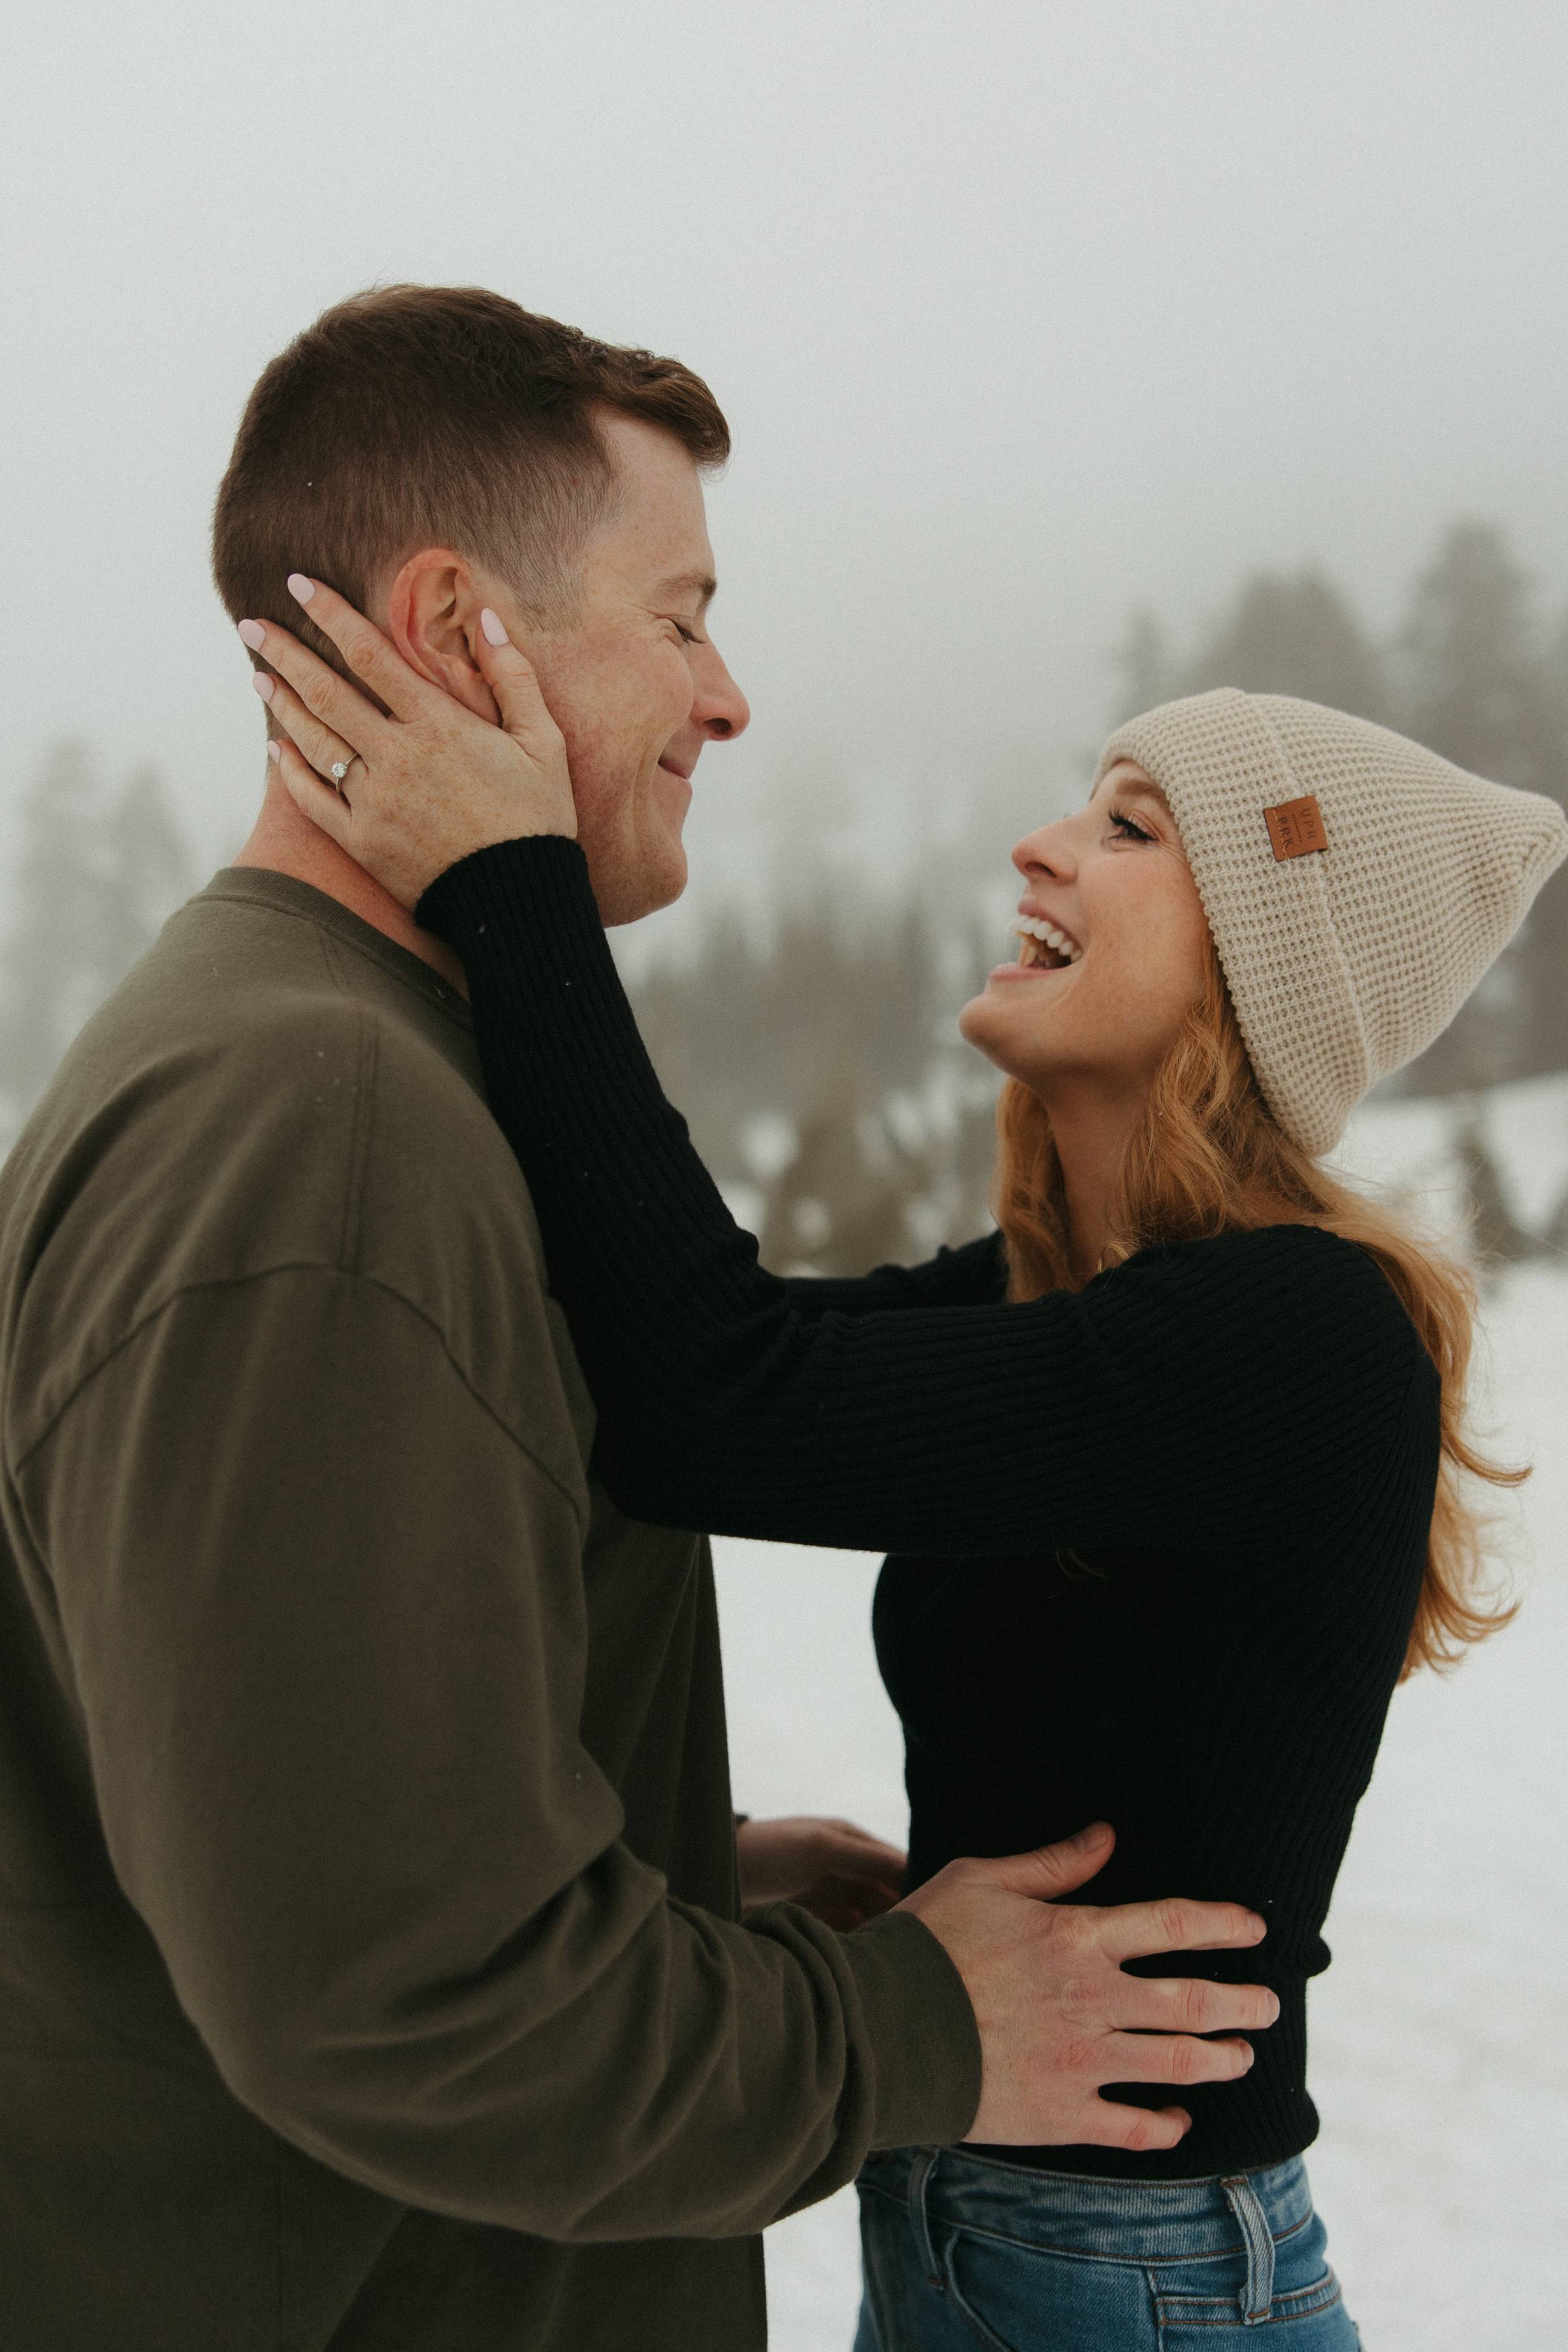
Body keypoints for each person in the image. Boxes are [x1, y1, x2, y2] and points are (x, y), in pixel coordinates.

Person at [0, 286, 1277, 2352]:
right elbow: (397, 2003)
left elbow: (272, 1810)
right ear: (454, 634)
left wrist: (657, 1856)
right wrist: (904, 2029)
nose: (731, 697)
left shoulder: (342, 1070)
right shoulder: (317, 1131)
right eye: (678, 616)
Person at [252, 575, 1567, 2351]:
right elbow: (650, 1346)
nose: (1036, 849)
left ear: (1273, 957)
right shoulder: (1050, 1302)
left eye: (1125, 827)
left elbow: (715, 1398)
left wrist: (517, 883)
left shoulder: (1301, 1338)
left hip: (1145, 2285)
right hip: (966, 2232)